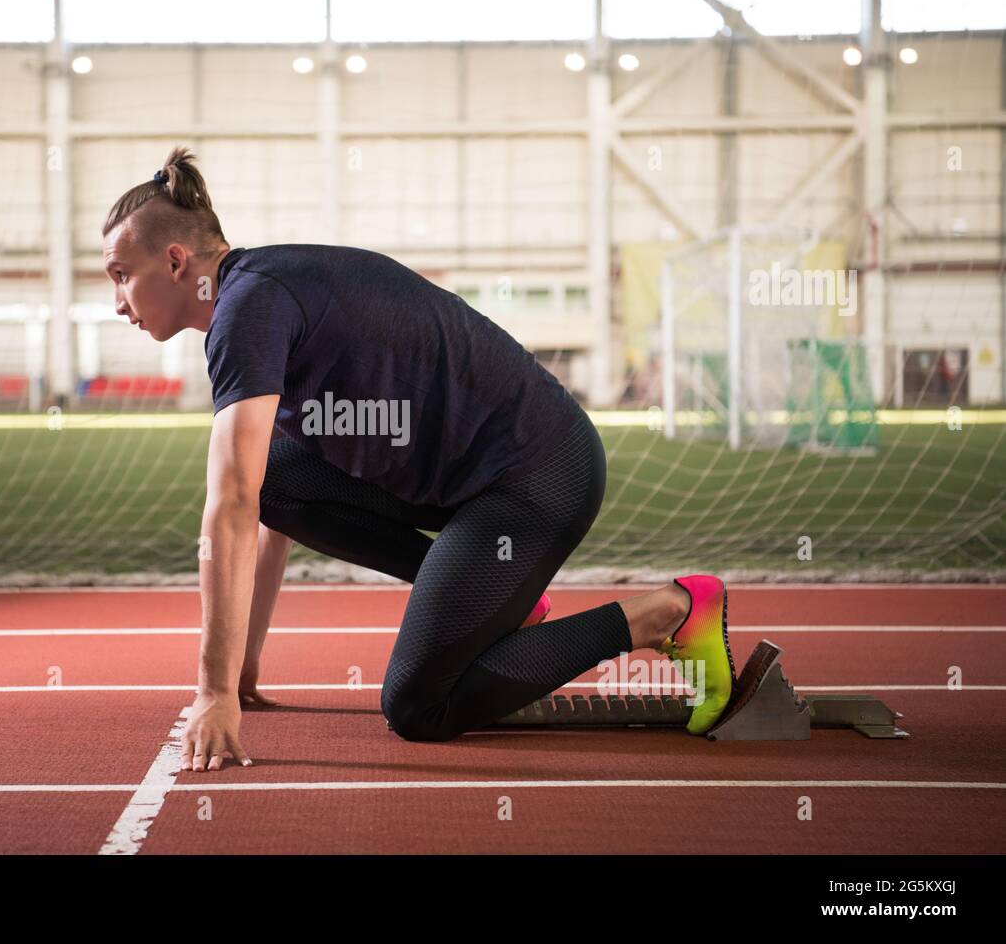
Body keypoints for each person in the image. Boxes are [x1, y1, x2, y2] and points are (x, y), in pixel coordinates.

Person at [101, 146, 735, 773]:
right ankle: (487, 589)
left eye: (120, 275)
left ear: (177, 261)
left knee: (418, 706)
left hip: (535, 476)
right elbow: (262, 500)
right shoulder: (255, 293)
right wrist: (238, 670)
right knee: (278, 478)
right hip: (458, 476)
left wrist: (211, 694)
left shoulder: (248, 309)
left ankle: (667, 613)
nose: (118, 300)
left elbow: (229, 504)